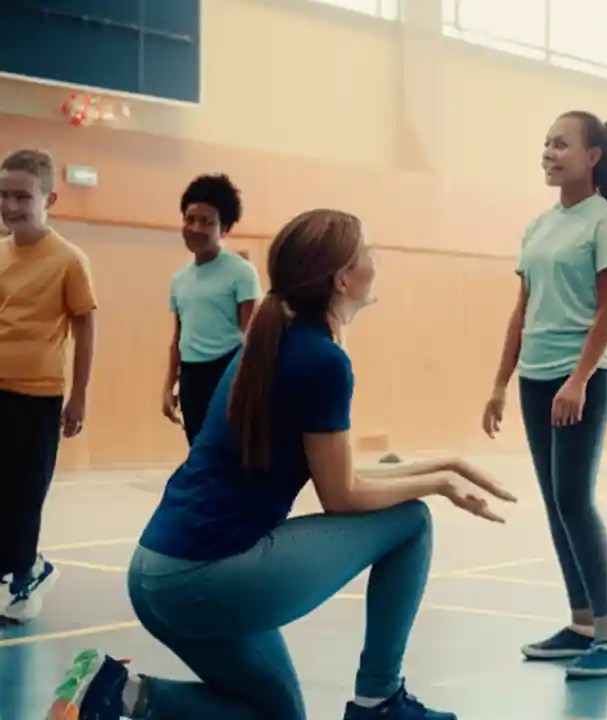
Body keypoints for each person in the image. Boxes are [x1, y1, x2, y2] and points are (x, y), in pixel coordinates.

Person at [46, 209, 517, 720]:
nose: (376, 264)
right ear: (342, 278)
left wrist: (437, 465)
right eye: (369, 254)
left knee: (279, 715)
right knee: (411, 521)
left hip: (153, 571)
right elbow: (342, 496)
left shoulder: (271, 344)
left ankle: (117, 694)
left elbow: (339, 473)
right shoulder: (321, 360)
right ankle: (379, 701)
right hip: (202, 578)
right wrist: (436, 484)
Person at [482, 110, 607, 679]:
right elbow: (521, 311)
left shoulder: (606, 222)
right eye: (545, 143)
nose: (549, 152)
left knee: (574, 498)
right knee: (554, 501)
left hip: (580, 378)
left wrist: (579, 380)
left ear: (593, 157)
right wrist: (499, 383)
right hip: (534, 377)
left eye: (561, 144)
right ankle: (581, 623)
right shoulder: (538, 226)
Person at [0, 148, 97, 624]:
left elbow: (85, 324)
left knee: (24, 491)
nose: (11, 205)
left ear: (49, 198)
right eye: (3, 195)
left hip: (38, 397)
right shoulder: (0, 251)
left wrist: (79, 395)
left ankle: (24, 574)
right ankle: (22, 568)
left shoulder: (68, 260)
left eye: (22, 196)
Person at [163, 174, 261, 445]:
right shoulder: (179, 278)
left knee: (228, 451)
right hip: (192, 376)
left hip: (228, 371)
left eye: (207, 222)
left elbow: (253, 338)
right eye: (190, 219)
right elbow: (178, 338)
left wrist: (251, 389)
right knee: (198, 450)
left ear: (224, 229)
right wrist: (170, 385)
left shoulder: (241, 272)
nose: (196, 228)